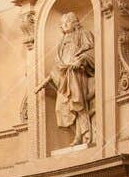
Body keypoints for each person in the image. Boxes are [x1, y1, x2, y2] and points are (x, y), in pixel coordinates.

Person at [40, 10, 95, 146]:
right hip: (64, 76)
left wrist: (81, 60)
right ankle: (77, 134)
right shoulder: (62, 41)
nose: (64, 25)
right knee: (61, 108)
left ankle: (83, 136)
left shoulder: (84, 34)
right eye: (62, 23)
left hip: (77, 73)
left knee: (77, 103)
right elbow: (58, 62)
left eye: (67, 22)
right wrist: (52, 75)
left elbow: (92, 51)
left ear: (75, 22)